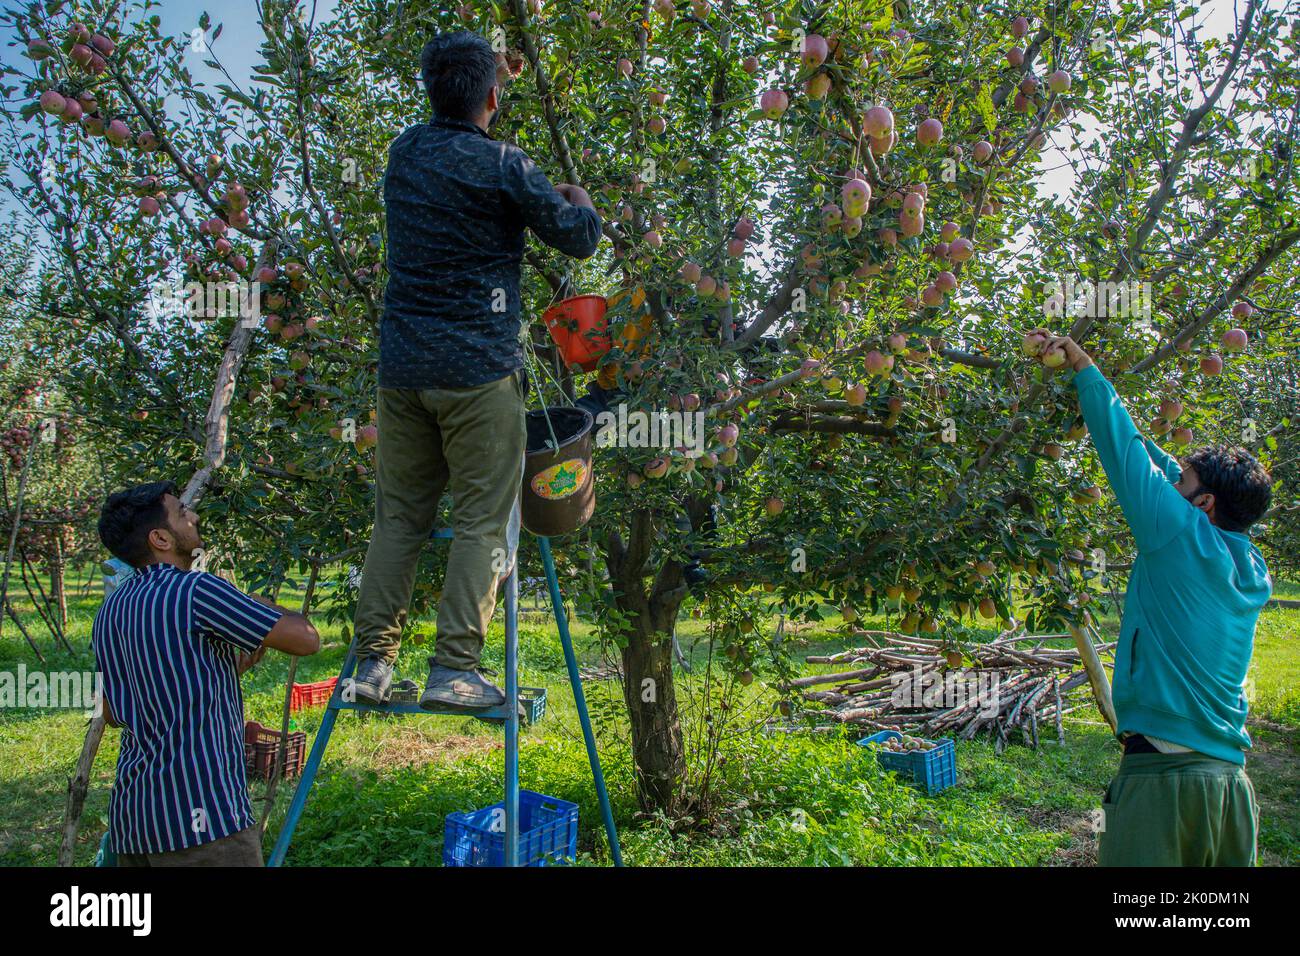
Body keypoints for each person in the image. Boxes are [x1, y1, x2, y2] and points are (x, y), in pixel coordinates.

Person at [350, 30, 602, 709]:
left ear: (431, 90)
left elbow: (458, 136)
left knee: (398, 519)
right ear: (493, 94)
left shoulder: (403, 154)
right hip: (478, 373)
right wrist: (578, 198)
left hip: (402, 371)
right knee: (483, 523)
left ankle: (369, 664)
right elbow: (576, 238)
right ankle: (454, 667)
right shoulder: (504, 166)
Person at [1036, 331, 1272, 866]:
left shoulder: (1177, 536)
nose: (1172, 483)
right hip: (1228, 784)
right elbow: (1158, 463)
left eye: (1184, 481)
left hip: (1166, 785)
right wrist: (1175, 463)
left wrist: (1082, 366)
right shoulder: (1246, 561)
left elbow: (1124, 454)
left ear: (1205, 502)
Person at [93, 481, 320, 866]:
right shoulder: (197, 590)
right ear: (160, 538)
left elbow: (114, 713)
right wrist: (254, 604)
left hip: (134, 821)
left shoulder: (110, 612)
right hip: (203, 818)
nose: (194, 516)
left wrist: (225, 668)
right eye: (182, 513)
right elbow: (306, 639)